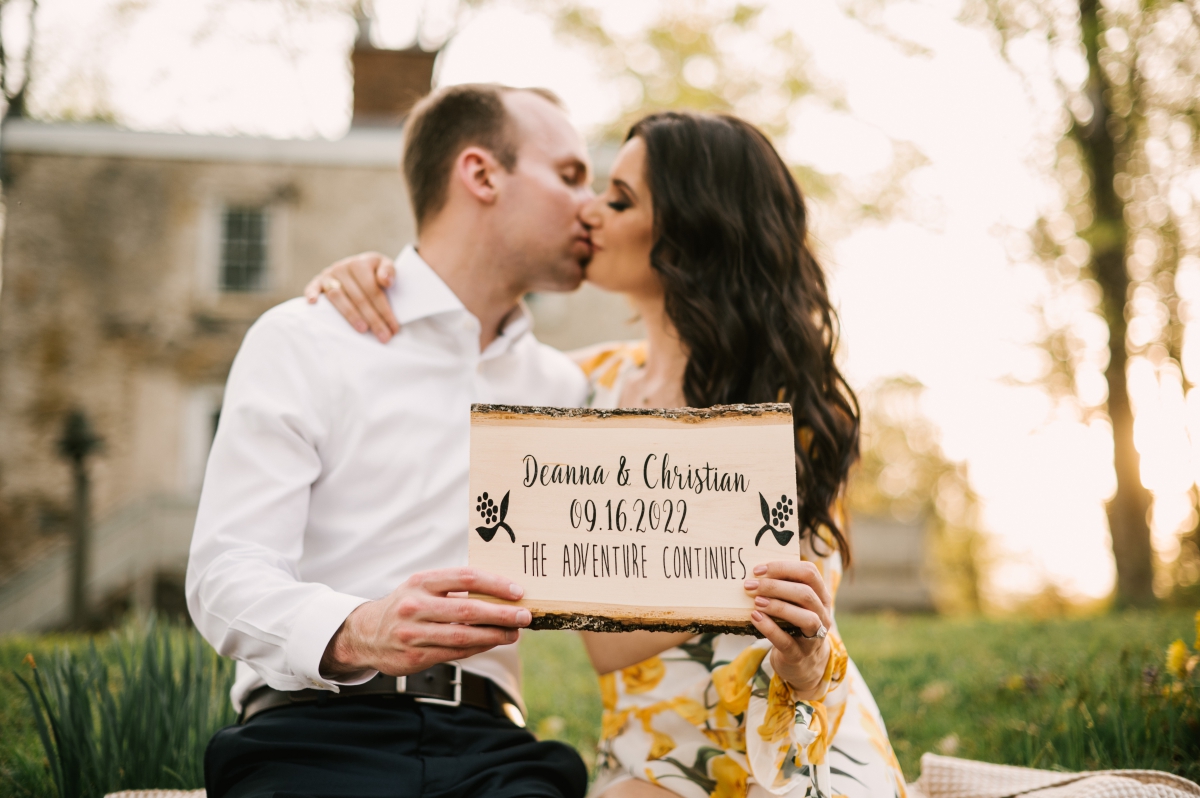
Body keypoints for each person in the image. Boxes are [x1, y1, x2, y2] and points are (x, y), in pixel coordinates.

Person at [306, 111, 908, 798]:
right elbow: (455, 369)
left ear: (691, 230)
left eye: (619, 199)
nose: (588, 211)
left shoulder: (787, 415)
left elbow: (782, 635)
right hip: (649, 756)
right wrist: (372, 280)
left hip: (784, 749)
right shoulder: (583, 385)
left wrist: (805, 655)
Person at [186, 83, 597, 798]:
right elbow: (225, 576)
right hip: (308, 740)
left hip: (499, 751)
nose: (590, 206)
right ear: (481, 174)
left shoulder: (571, 392)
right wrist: (359, 628)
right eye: (568, 176)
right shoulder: (306, 338)